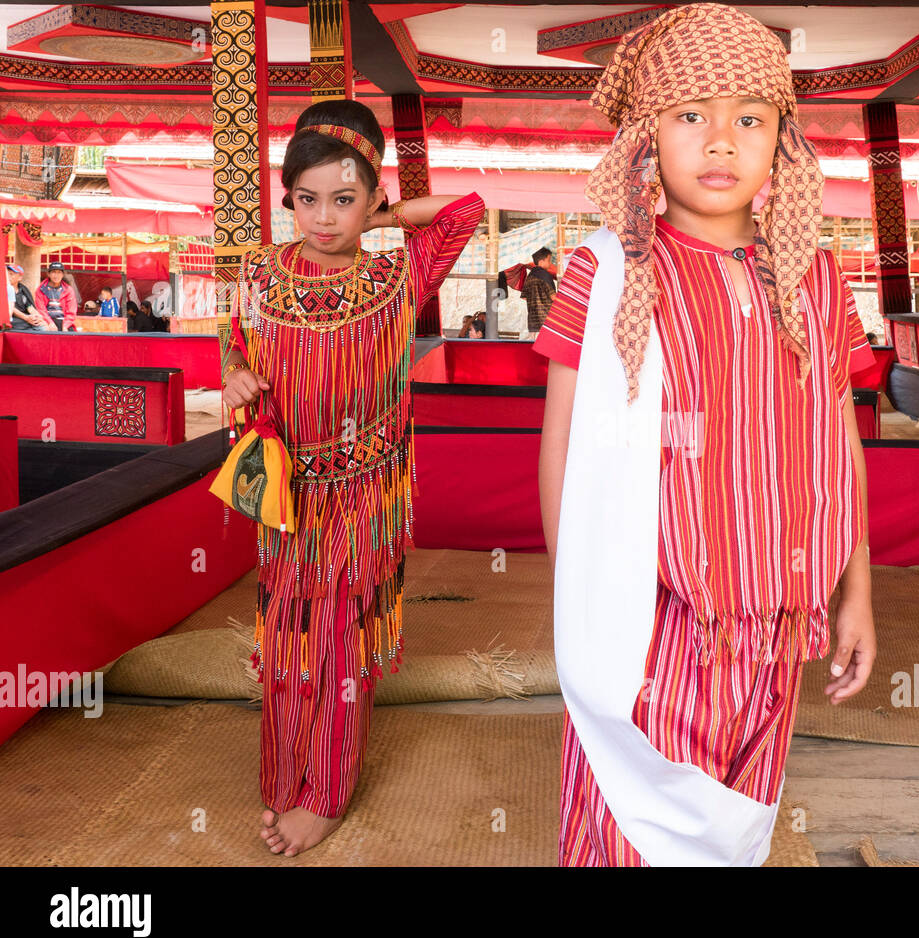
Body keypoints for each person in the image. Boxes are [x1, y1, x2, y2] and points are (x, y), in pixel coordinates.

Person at [534, 2, 877, 867]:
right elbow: (565, 442)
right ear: (647, 136)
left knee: (736, 822)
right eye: (691, 115)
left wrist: (857, 591)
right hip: (648, 620)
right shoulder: (604, 271)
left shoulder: (815, 277)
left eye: (749, 119)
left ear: (782, 143)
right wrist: (580, 597)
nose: (721, 142)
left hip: (778, 619)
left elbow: (838, 442)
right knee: (624, 823)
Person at [219, 97, 484, 859]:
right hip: (285, 493)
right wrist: (235, 373)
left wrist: (384, 215)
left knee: (338, 635)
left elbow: (464, 211)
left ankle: (328, 791)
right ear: (288, 198)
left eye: (343, 199)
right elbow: (233, 343)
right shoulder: (259, 273)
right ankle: (284, 774)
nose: (323, 217)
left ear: (371, 200)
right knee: (286, 634)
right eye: (307, 199)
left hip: (364, 494)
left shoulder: (398, 275)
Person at [522, 246, 557, 338]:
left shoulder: (529, 276)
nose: (550, 263)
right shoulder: (545, 275)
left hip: (532, 322)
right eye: (549, 260)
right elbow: (553, 297)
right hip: (546, 320)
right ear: (541, 261)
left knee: (532, 344)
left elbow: (525, 297)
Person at [35, 261, 77, 331]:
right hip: (46, 321)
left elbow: (71, 312)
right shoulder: (41, 289)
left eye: (59, 272)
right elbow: (41, 310)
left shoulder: (68, 290)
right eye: (53, 272)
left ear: (63, 274)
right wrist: (50, 323)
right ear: (48, 274)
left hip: (63, 321)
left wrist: (65, 326)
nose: (56, 275)